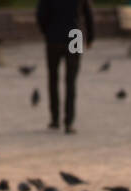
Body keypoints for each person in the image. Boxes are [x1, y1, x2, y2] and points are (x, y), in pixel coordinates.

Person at [35, 0, 94, 134]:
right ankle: (69, 122)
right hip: (75, 35)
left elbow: (40, 15)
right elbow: (88, 14)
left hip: (54, 35)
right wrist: (90, 38)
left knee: (53, 78)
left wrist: (47, 31)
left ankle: (55, 119)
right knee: (71, 81)